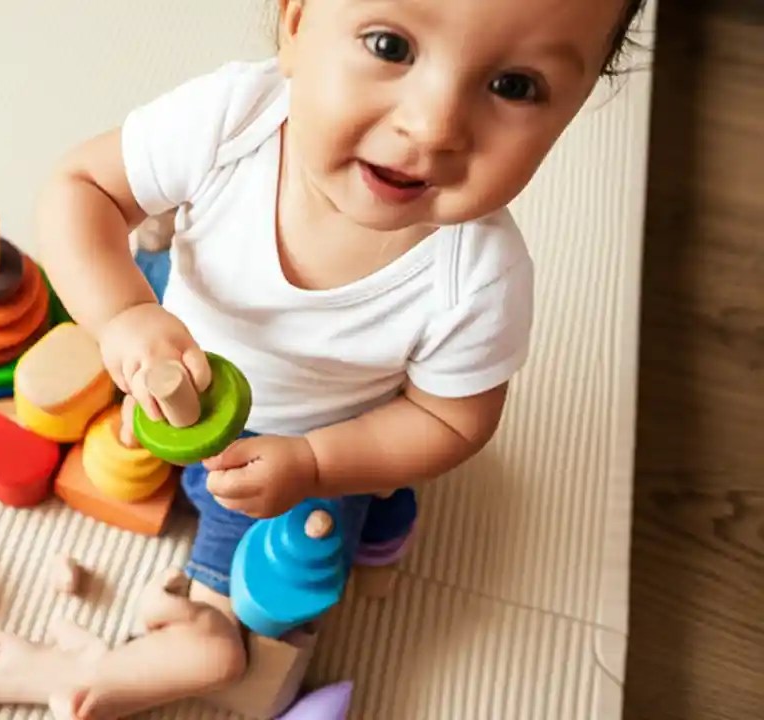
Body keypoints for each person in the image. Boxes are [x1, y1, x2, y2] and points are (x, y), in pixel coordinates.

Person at [36, 0, 646, 699]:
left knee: (246, 613)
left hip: (297, 442)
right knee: (67, 291)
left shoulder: (477, 278)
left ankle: (93, 685)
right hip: (164, 321)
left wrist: (318, 464)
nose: (433, 124)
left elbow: (451, 420)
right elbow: (81, 188)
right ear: (296, 22)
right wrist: (122, 315)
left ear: (568, 115)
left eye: (514, 86)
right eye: (391, 45)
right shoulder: (233, 118)